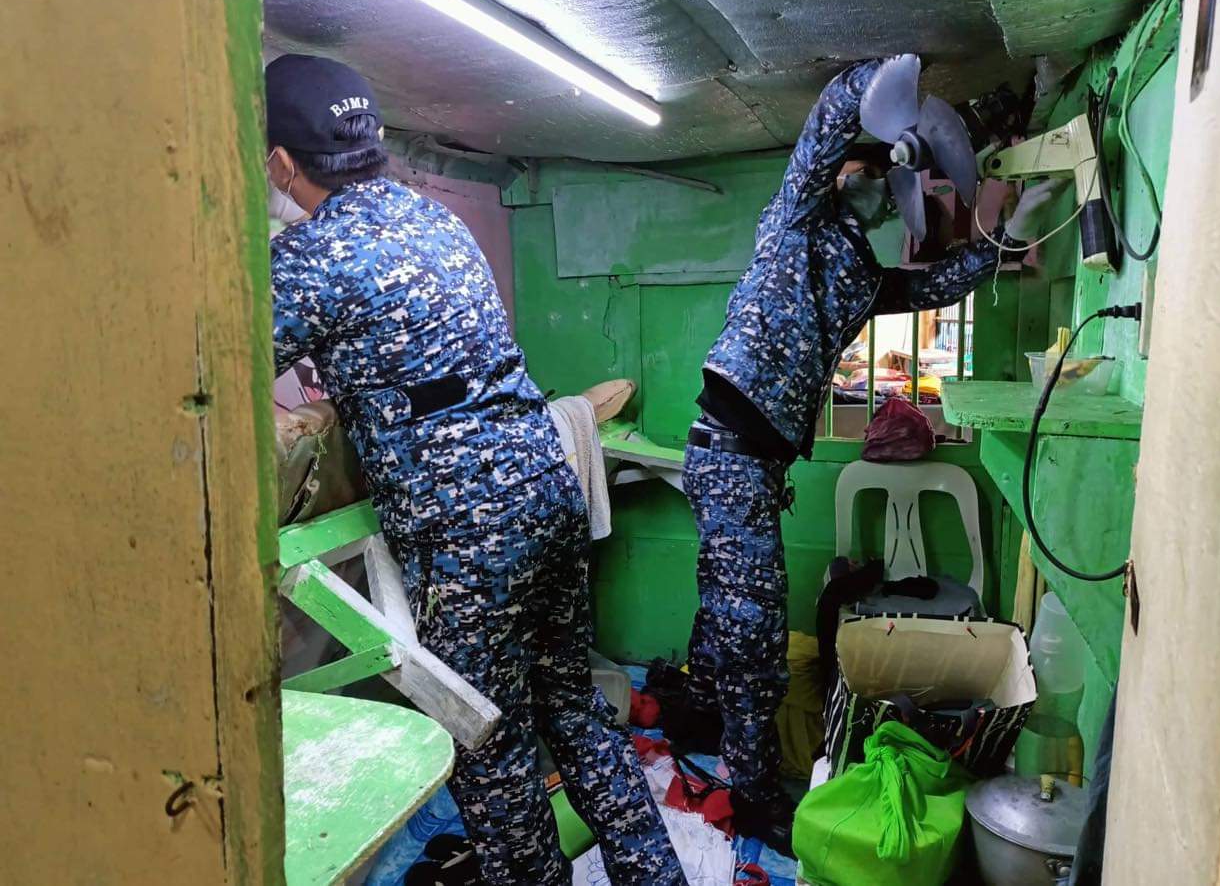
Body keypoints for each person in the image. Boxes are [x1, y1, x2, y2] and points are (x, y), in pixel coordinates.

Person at [264, 53, 686, 886]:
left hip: (467, 527)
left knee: (487, 742)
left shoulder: (312, 257)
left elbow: (201, 383)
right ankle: (656, 874)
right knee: (572, 708)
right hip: (546, 482)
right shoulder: (437, 222)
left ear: (281, 163)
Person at [669, 55, 1061, 853]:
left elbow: (934, 286)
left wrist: (1007, 240)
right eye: (868, 166)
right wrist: (878, 90)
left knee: (730, 621)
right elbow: (825, 128)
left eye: (883, 175)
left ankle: (697, 708)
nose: (874, 180)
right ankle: (750, 798)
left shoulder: (857, 272)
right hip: (731, 454)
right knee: (754, 638)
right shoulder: (795, 218)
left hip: (753, 467)